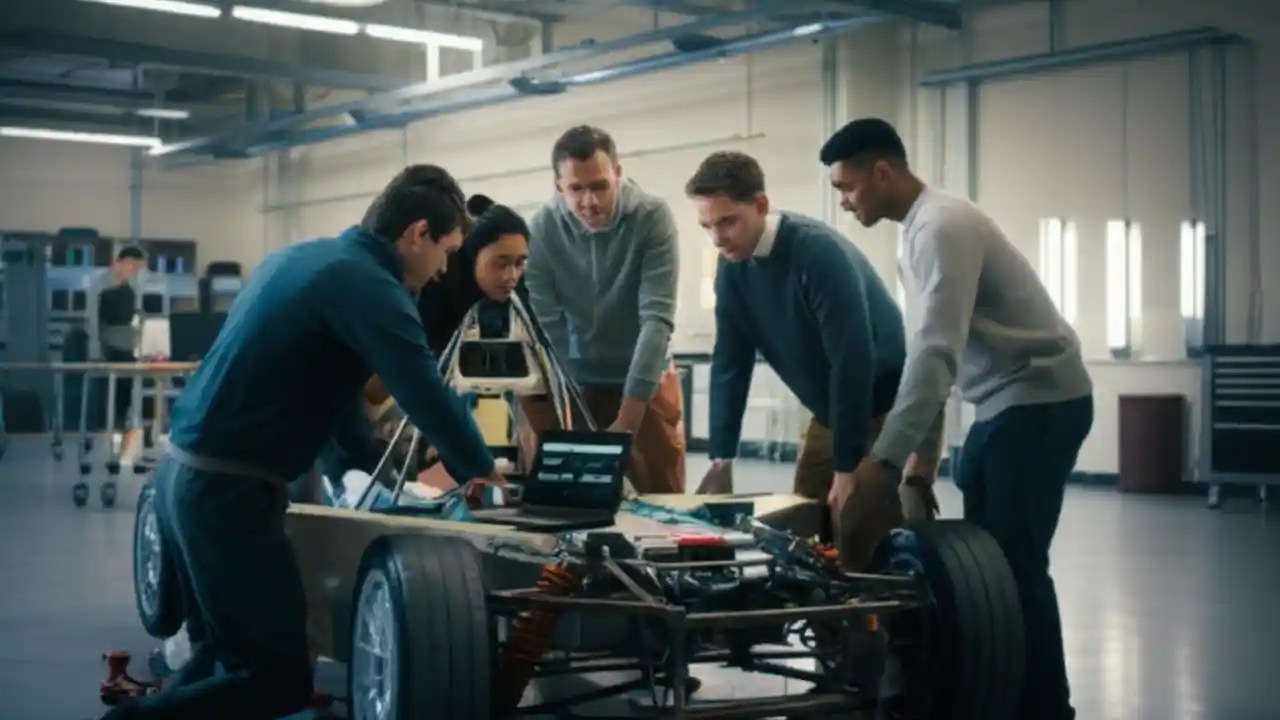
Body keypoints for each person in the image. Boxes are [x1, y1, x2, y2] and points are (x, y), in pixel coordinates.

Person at [100, 165, 506, 720]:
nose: (441, 272)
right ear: (417, 234)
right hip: (227, 490)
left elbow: (335, 404)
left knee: (222, 655)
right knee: (278, 681)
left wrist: (384, 479)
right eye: (447, 252)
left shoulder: (304, 260)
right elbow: (423, 390)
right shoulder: (370, 285)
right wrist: (482, 470)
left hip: (185, 475)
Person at [820, 117, 1094, 720]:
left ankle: (1046, 710)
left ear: (882, 172)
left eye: (847, 187)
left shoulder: (943, 226)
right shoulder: (918, 232)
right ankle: (1003, 694)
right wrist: (919, 461)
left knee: (1015, 567)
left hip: (1039, 402)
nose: (844, 202)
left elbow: (936, 352)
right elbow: (935, 352)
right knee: (990, 568)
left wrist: (885, 461)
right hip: (1003, 404)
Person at [684, 151, 933, 558]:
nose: (717, 238)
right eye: (707, 226)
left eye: (728, 221)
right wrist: (721, 458)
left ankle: (884, 615)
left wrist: (848, 467)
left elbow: (852, 360)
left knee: (861, 528)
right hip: (832, 411)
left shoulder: (817, 254)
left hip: (889, 405)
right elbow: (731, 363)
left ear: (761, 205)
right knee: (805, 532)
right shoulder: (732, 268)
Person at [523, 125, 686, 494]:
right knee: (563, 498)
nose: (589, 202)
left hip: (645, 382)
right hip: (575, 380)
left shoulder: (653, 217)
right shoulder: (542, 227)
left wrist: (629, 418)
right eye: (576, 189)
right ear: (558, 185)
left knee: (661, 502)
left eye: (599, 186)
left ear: (617, 173)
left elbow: (656, 320)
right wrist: (568, 407)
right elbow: (547, 325)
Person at [89, 246, 145, 431]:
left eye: (137, 268)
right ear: (120, 263)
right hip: (110, 345)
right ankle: (112, 425)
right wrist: (95, 351)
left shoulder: (129, 287)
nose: (135, 271)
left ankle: (123, 423)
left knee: (126, 387)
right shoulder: (101, 286)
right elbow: (92, 319)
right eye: (133, 267)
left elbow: (135, 315)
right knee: (112, 390)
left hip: (126, 343)